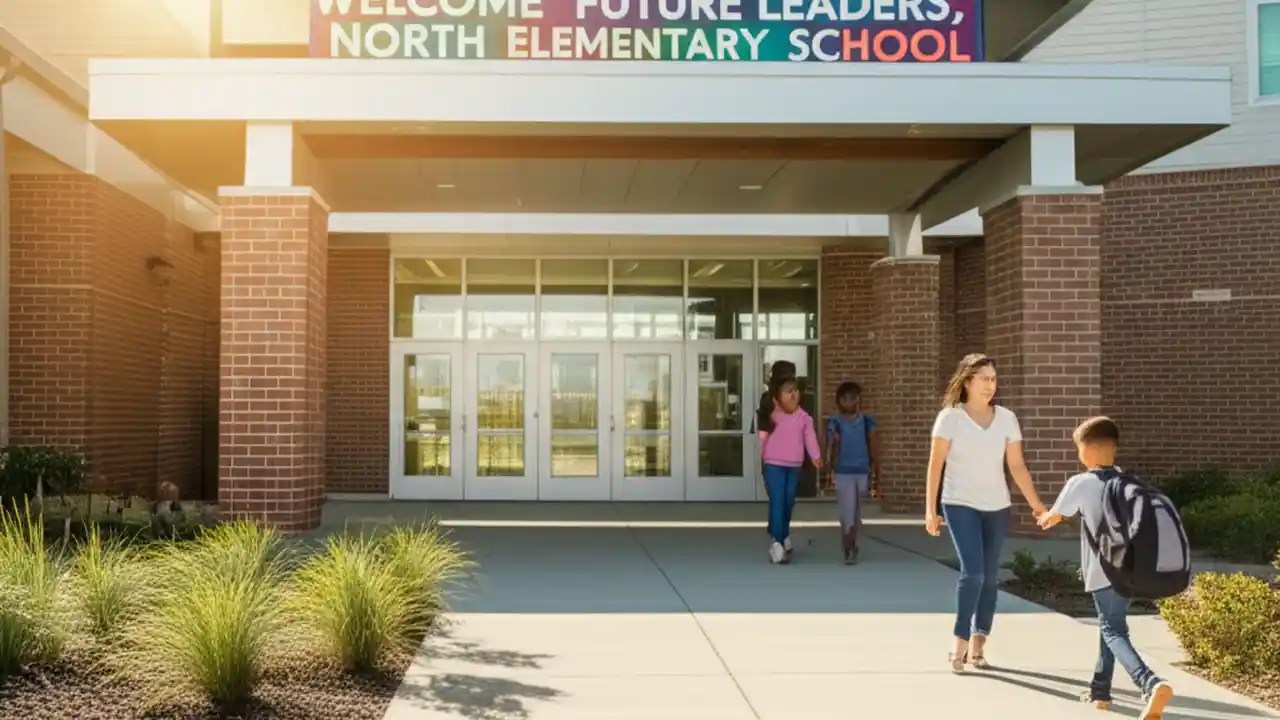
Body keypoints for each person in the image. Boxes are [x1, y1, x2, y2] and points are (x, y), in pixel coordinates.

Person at [1037, 417, 1175, 719]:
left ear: (1085, 452)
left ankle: (1150, 683)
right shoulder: (1130, 482)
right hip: (1134, 570)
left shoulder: (1081, 482)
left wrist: (1045, 514)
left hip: (1103, 571)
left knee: (1112, 629)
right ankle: (1100, 692)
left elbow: (1054, 518)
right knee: (1111, 625)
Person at [925, 353, 1046, 672]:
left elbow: (1017, 466)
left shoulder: (1006, 418)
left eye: (994, 379)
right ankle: (959, 642)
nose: (990, 385)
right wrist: (930, 509)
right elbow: (935, 465)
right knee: (973, 572)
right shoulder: (949, 418)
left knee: (990, 578)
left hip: (997, 506)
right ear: (967, 382)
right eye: (984, 379)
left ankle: (979, 645)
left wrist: (1037, 505)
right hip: (959, 503)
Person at [759, 374, 822, 564]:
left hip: (793, 466)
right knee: (778, 501)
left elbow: (809, 438)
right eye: (788, 391)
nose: (793, 394)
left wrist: (815, 456)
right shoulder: (771, 415)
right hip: (773, 465)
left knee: (788, 502)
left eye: (795, 390)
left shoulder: (804, 418)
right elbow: (762, 438)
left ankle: (783, 533)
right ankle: (777, 543)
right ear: (777, 396)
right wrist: (762, 457)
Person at [823, 382, 879, 565]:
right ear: (839, 401)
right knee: (847, 510)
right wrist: (828, 471)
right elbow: (830, 448)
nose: (850, 402)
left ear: (859, 400)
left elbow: (874, 450)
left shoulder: (868, 422)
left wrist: (876, 474)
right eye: (845, 399)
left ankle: (853, 542)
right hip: (843, 471)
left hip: (862, 470)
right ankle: (848, 547)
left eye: (854, 398)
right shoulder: (835, 422)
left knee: (856, 512)